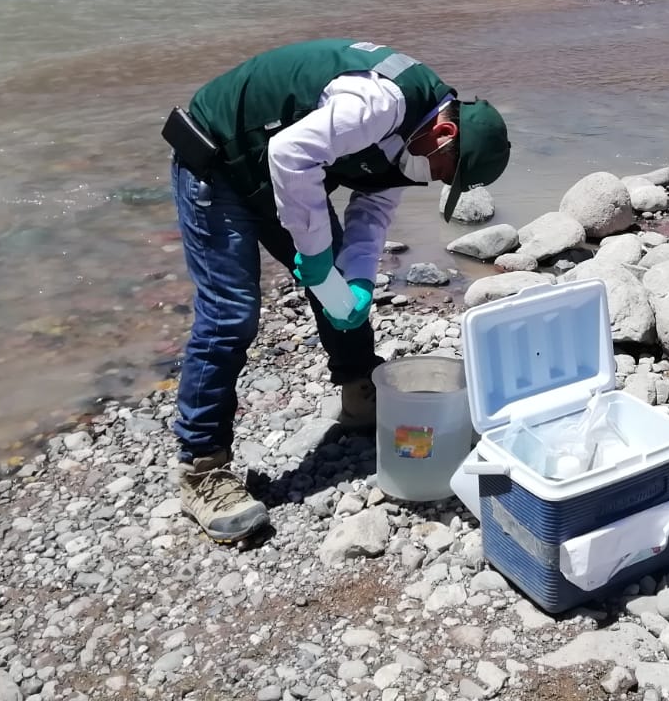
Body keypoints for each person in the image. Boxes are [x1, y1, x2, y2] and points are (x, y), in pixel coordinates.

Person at [161, 38, 511, 542]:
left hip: (275, 170)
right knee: (230, 315)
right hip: (218, 157)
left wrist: (360, 280)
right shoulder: (379, 104)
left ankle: (360, 395)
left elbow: (371, 210)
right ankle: (202, 469)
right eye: (442, 171)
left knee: (344, 285)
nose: (435, 180)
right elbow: (290, 152)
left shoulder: (416, 141)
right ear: (444, 131)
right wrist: (317, 256)